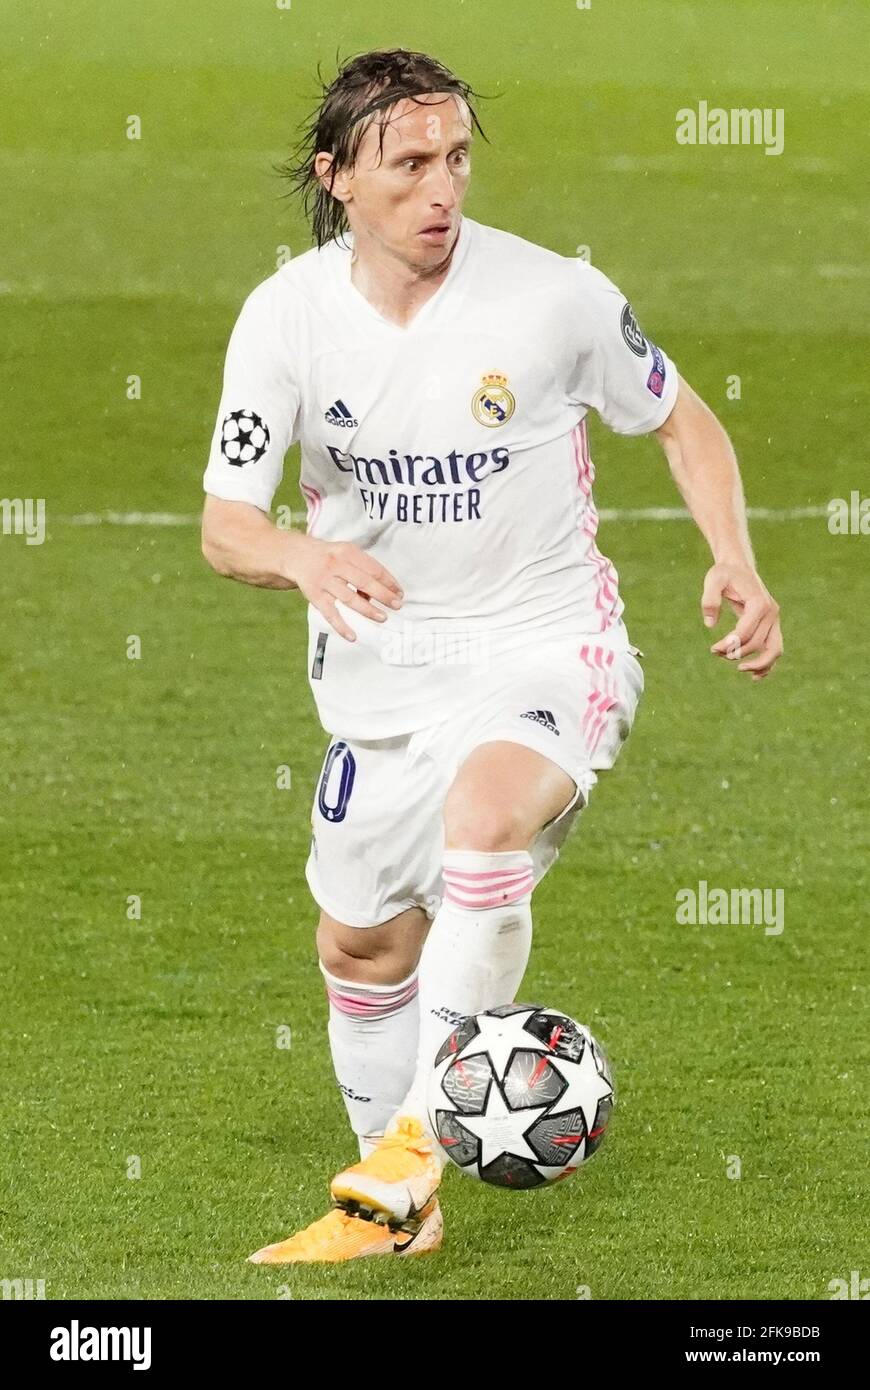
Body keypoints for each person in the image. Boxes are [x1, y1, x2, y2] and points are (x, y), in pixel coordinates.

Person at [200, 48, 783, 1264]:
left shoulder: (550, 298)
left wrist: (733, 554)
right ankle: (397, 1214)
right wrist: (305, 560)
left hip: (549, 643)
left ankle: (417, 1141)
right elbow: (227, 524)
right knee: (362, 946)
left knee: (484, 821)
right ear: (336, 177)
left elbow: (680, 414)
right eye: (409, 164)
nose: (441, 189)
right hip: (381, 680)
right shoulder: (286, 319)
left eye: (455, 158)